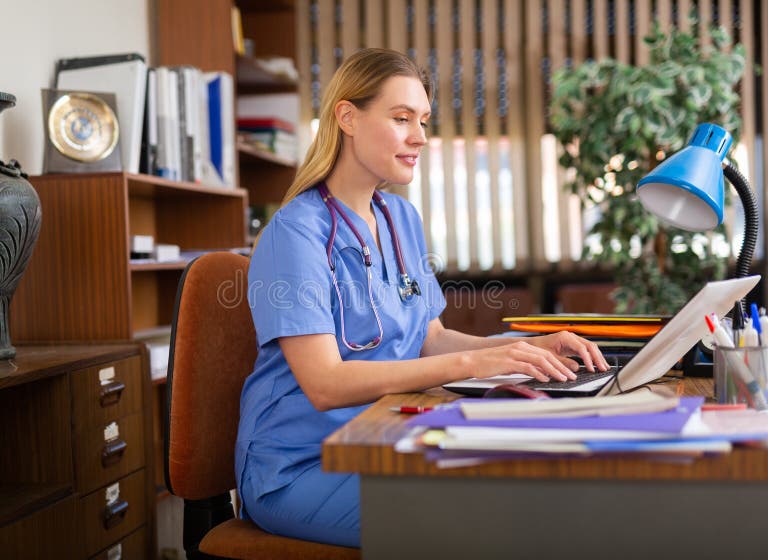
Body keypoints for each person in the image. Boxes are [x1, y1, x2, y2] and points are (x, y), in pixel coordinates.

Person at [236, 48, 609, 548]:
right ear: (347, 117)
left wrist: (526, 347)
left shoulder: (400, 219)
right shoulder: (295, 234)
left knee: (535, 484)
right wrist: (475, 366)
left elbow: (429, 337)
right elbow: (325, 384)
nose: (420, 136)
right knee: (497, 521)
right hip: (304, 465)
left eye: (424, 120)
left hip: (386, 439)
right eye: (401, 118)